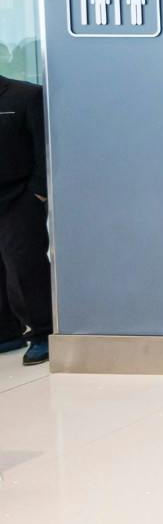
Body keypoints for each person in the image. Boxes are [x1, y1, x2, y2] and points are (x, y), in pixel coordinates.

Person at [0, 67, 50, 367]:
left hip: (20, 196)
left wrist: (38, 193)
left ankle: (43, 331)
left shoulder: (25, 95)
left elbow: (45, 148)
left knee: (24, 264)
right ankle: (7, 331)